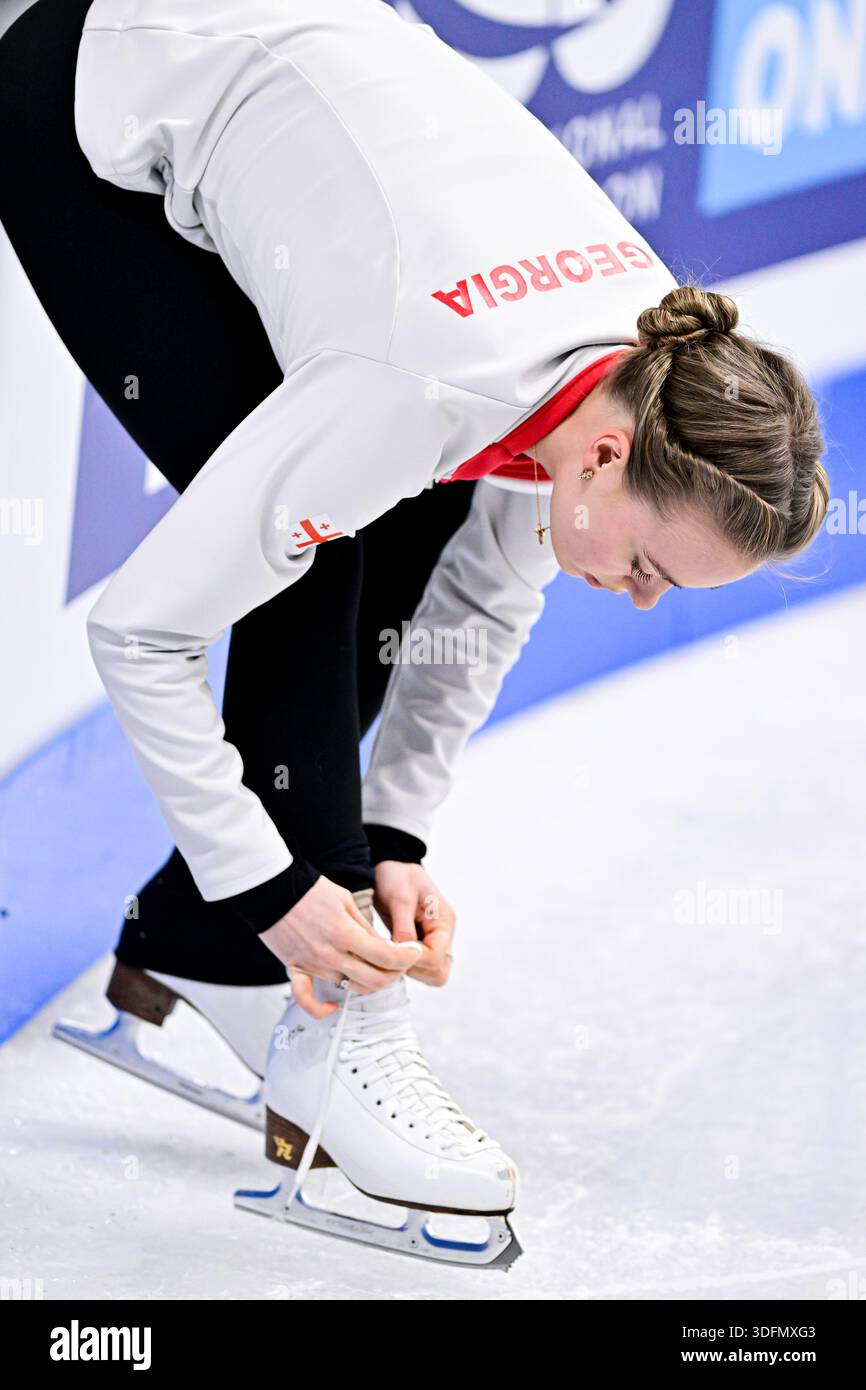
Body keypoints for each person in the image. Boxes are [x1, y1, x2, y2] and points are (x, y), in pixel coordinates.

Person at [0, 0, 828, 1264]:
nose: (641, 596)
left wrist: (388, 836)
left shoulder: (649, 373)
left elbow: (492, 590)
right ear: (607, 459)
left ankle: (203, 947)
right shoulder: (422, 380)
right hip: (89, 86)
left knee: (407, 531)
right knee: (306, 565)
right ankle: (332, 1026)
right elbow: (141, 632)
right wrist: (274, 888)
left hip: (279, 62)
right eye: (653, 567)